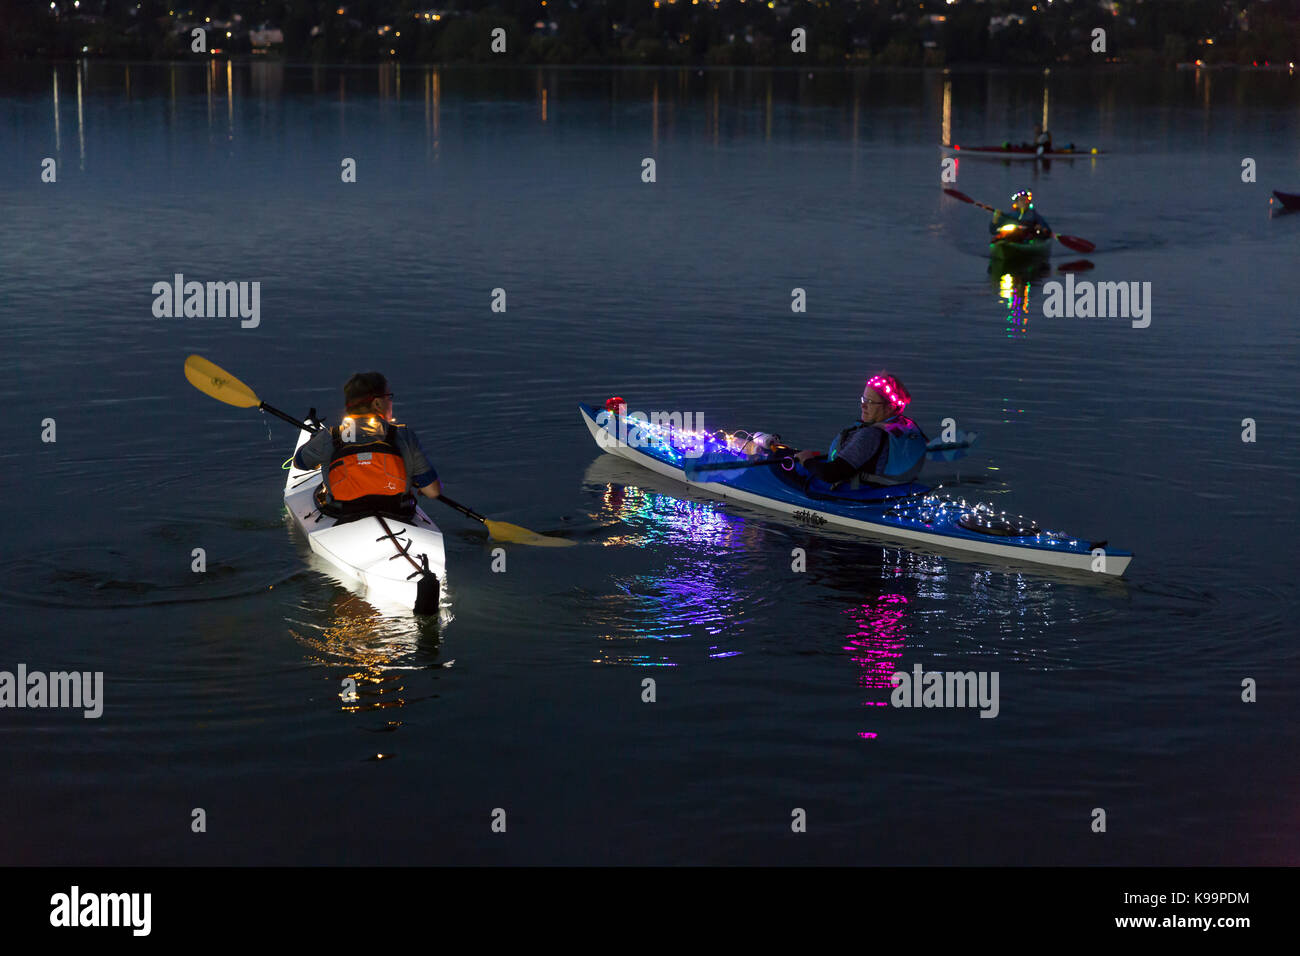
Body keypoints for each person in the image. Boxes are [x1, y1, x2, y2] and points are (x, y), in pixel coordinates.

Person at [293, 372, 441, 519]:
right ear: (377, 403)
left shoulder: (330, 436)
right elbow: (432, 492)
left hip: (344, 512)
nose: (390, 402)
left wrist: (314, 440)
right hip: (397, 511)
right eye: (388, 397)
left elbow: (299, 463)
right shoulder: (404, 436)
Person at [793, 373, 929, 487]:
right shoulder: (908, 427)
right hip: (900, 489)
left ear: (889, 408)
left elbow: (831, 475)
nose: (863, 406)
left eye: (870, 402)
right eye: (863, 399)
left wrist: (807, 460)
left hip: (865, 498)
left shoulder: (869, 435)